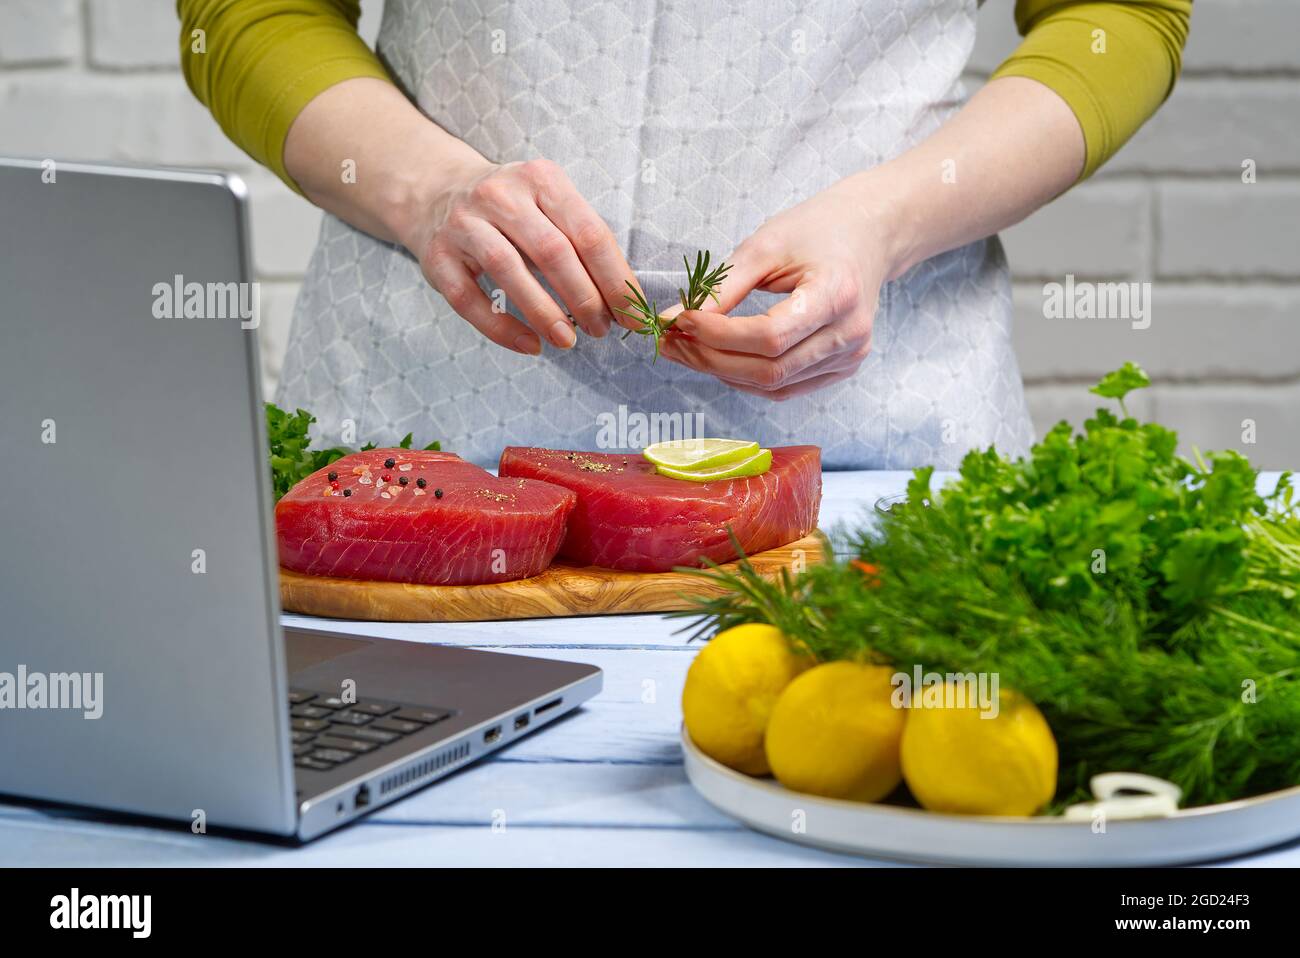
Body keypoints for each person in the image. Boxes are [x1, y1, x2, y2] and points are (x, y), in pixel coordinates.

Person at [180, 0, 1190, 468]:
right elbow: (243, 12)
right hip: (427, 427)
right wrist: (430, 189)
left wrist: (884, 223)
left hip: (867, 437)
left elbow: (1120, 16)